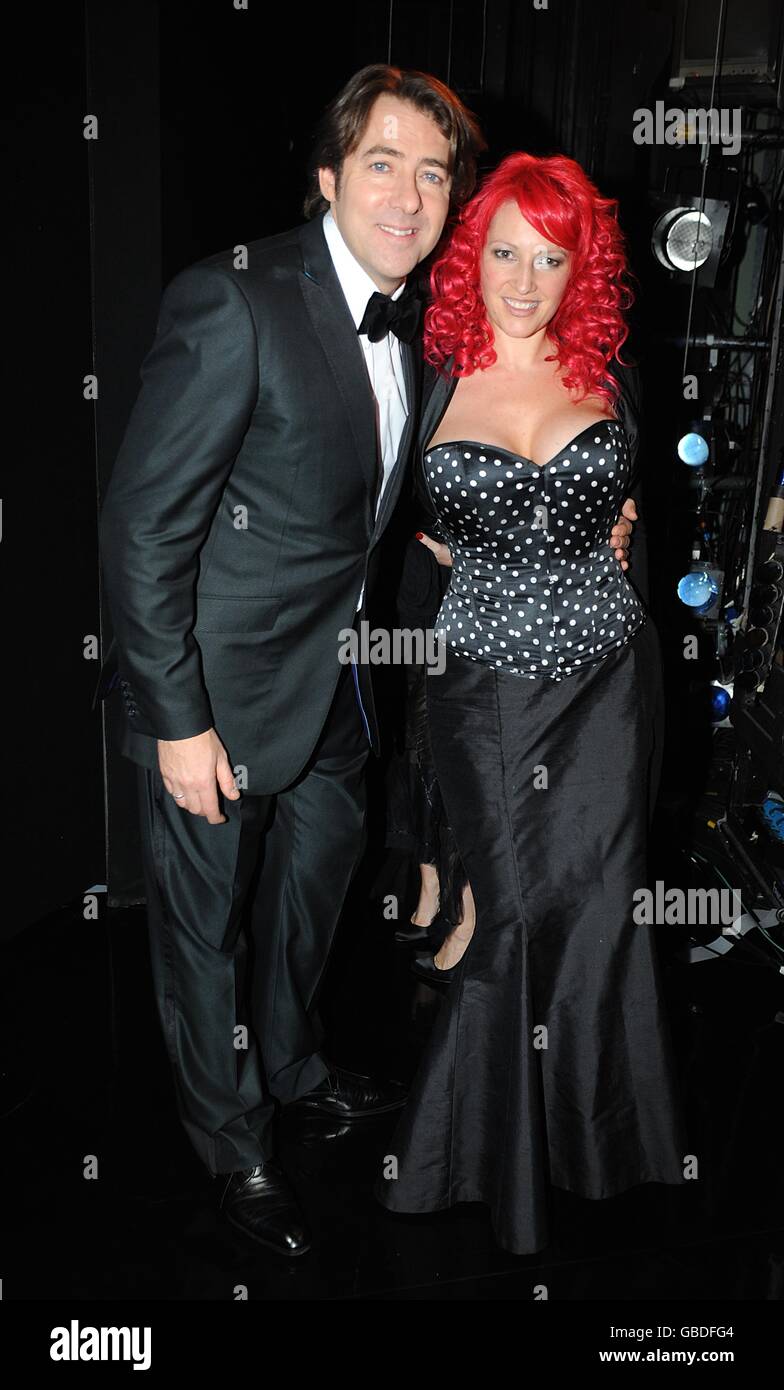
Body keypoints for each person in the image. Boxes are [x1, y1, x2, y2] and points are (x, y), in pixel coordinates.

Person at [95, 64, 487, 1257]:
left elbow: (363, 492)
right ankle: (234, 1143)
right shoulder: (236, 300)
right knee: (204, 933)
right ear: (327, 176)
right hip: (216, 695)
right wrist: (176, 720)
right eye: (383, 164)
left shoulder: (422, 323)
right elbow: (142, 528)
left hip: (341, 692)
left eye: (433, 174)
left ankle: (296, 1067)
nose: (409, 197)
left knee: (313, 899)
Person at [374, 152, 690, 1256]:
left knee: (600, 909)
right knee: (506, 912)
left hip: (607, 682)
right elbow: (366, 510)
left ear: (580, 267)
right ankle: (471, 1160)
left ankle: (600, 1146)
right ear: (471, 256)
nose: (523, 280)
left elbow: (638, 501)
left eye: (551, 258)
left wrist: (625, 521)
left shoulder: (607, 369)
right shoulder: (427, 372)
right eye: (504, 252)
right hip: (484, 689)